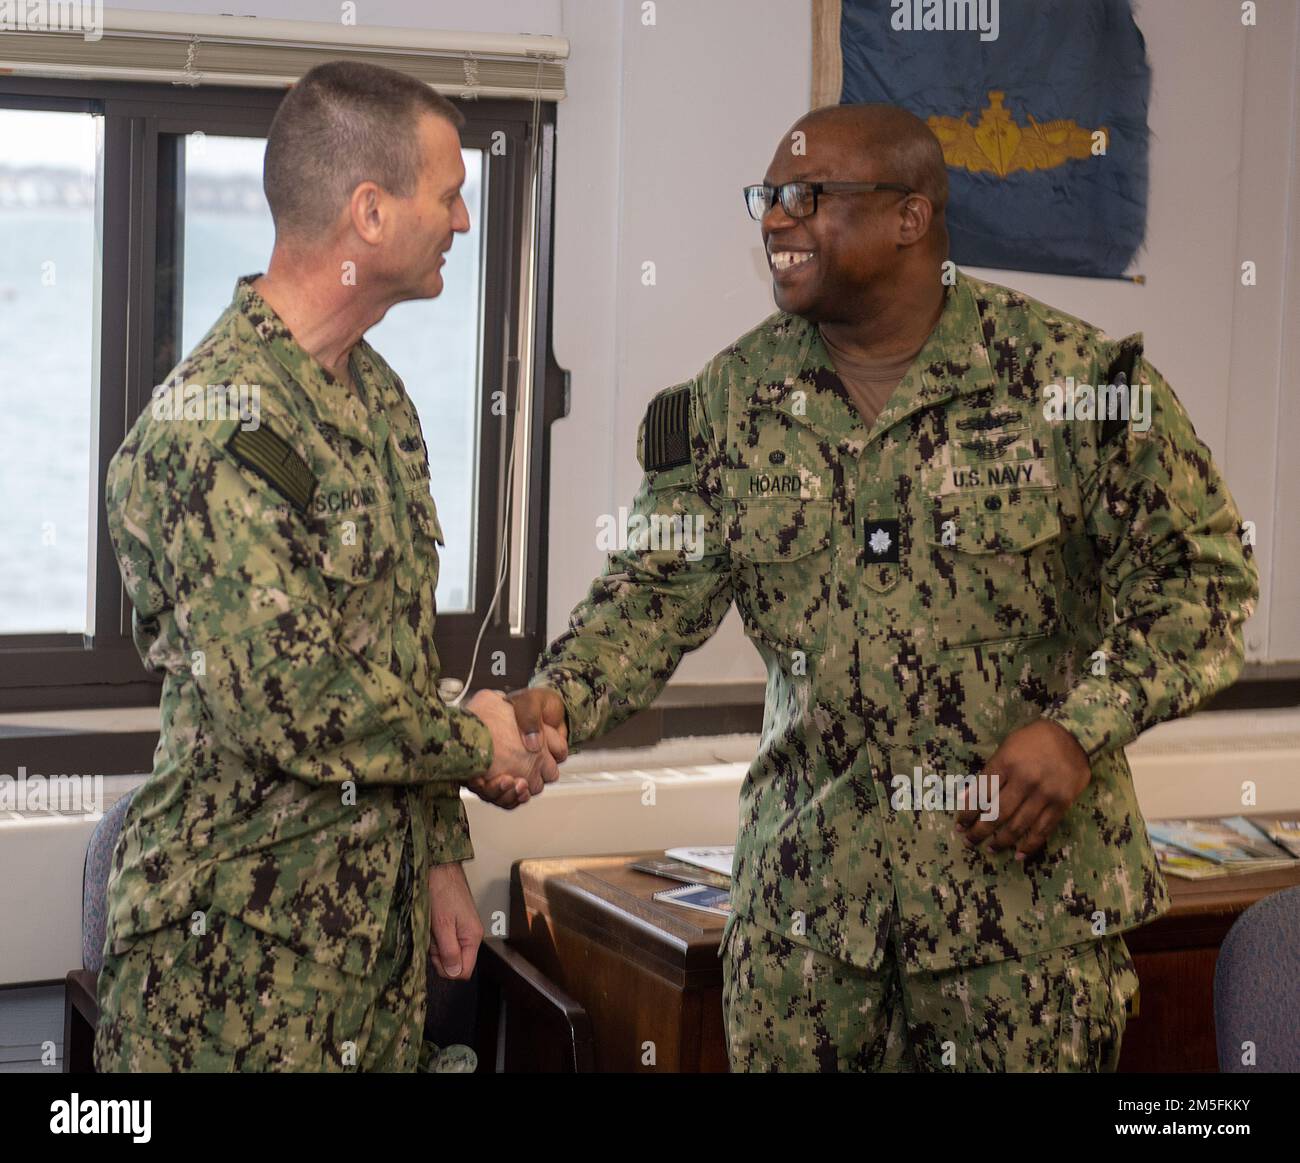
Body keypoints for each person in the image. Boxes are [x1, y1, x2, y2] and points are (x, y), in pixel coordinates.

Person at [504, 104, 1259, 1072]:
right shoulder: (729, 402)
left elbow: (1204, 582)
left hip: (1019, 931)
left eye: (806, 195)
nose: (776, 219)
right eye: (768, 197)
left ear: (909, 216)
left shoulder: (1076, 384)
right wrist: (555, 698)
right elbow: (650, 594)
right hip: (809, 941)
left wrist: (1080, 728)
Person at [95, 60, 560, 1073]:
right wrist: (474, 741)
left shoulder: (378, 399)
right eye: (449, 195)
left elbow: (395, 657)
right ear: (370, 211)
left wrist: (440, 855)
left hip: (368, 952)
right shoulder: (213, 424)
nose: (464, 220)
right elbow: (293, 699)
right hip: (233, 972)